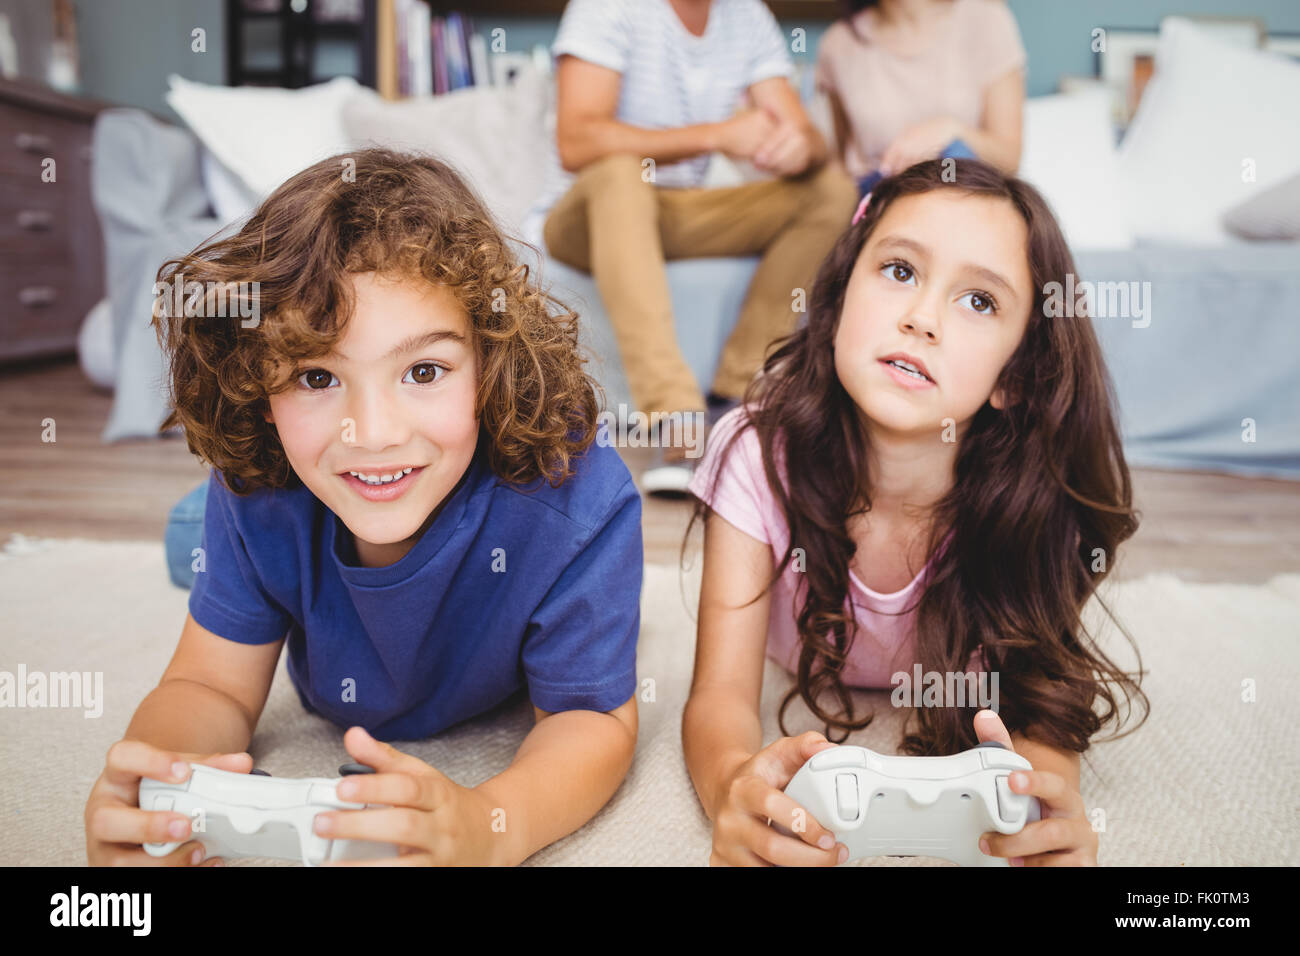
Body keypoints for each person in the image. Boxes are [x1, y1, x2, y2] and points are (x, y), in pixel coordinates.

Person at [84, 148, 643, 867]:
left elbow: (588, 719)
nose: (371, 431)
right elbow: (208, 683)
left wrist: (490, 823)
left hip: (372, 489)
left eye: (424, 371)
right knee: (190, 532)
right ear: (257, 385)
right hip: (297, 494)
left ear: (492, 362)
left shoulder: (581, 501)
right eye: (317, 375)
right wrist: (156, 790)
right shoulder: (259, 488)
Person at [682, 158, 1150, 866]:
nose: (921, 318)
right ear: (837, 301)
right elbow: (719, 694)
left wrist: (1040, 813)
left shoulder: (1035, 495)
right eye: (900, 271)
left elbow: (1042, 696)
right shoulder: (754, 452)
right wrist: (732, 789)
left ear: (1015, 380)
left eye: (980, 301)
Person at [527, 0, 859, 493]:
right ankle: (676, 420)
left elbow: (805, 135)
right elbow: (577, 141)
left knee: (831, 189)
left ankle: (738, 394)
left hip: (674, 212)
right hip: (588, 215)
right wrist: (719, 135)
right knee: (623, 172)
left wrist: (800, 147)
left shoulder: (747, 16)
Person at [816, 0, 1027, 199]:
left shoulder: (986, 22)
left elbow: (1008, 159)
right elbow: (841, 162)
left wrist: (951, 131)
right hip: (878, 204)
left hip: (967, 201)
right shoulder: (838, 45)